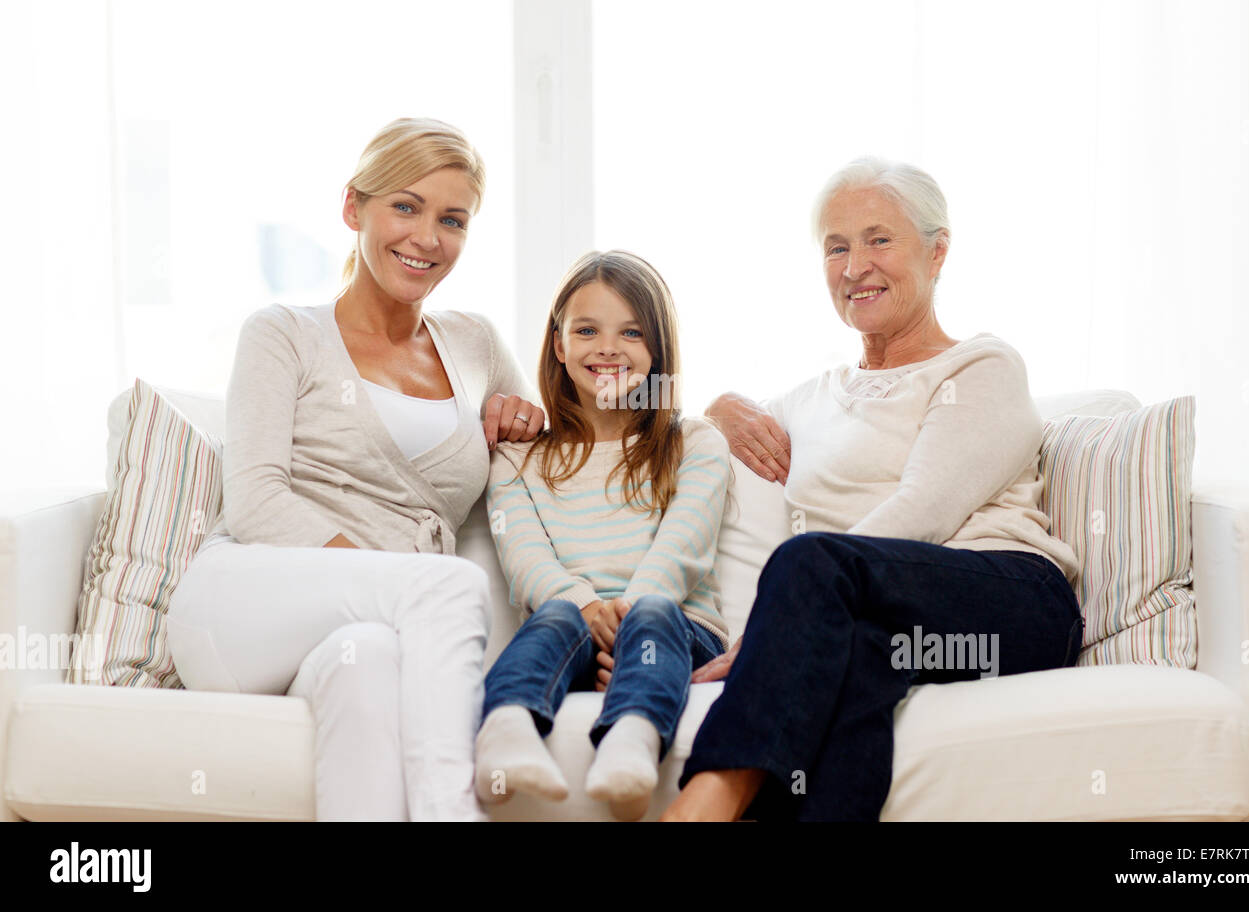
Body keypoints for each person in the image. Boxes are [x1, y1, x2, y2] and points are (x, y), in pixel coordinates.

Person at [661, 156, 1084, 822]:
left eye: (878, 239)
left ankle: (704, 804)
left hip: (1011, 601)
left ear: (937, 250)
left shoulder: (978, 366)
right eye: (837, 247)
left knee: (810, 560)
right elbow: (690, 431)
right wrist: (721, 406)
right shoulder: (812, 398)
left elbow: (923, 511)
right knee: (850, 661)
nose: (855, 266)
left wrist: (780, 620)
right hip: (881, 620)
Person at [165, 117, 545, 822]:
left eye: (452, 219)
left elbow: (555, 469)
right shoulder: (283, 333)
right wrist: (398, 581)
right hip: (242, 606)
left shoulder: (476, 344)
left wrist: (531, 425)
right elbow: (255, 503)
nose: (428, 237)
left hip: (369, 632)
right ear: (353, 209)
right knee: (448, 585)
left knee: (366, 668)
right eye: (406, 206)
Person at [473, 250, 730, 821]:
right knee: (555, 617)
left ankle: (631, 743)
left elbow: (681, 550)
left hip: (678, 631)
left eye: (631, 332)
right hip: (573, 633)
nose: (608, 347)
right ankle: (507, 729)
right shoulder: (517, 460)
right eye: (587, 330)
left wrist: (629, 620)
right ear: (559, 346)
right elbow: (526, 560)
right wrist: (587, 608)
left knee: (657, 611)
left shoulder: (696, 443)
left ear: (657, 350)